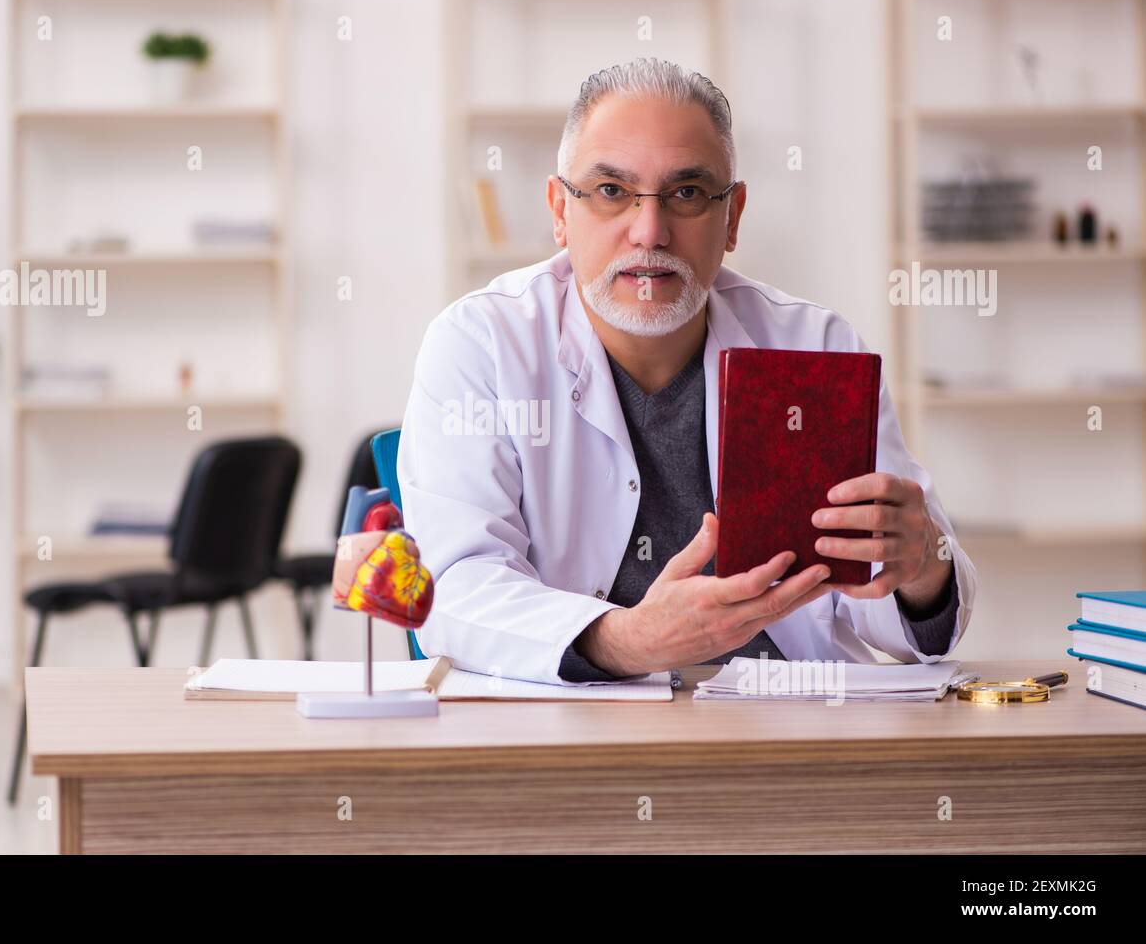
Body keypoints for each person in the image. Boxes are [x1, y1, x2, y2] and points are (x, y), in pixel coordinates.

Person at [399, 58, 975, 684]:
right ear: (559, 211)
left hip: (795, 729)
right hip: (573, 730)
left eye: (687, 193)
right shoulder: (481, 344)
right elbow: (451, 590)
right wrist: (628, 640)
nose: (650, 232)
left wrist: (923, 568)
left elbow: (907, 618)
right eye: (612, 191)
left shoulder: (815, 346)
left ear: (733, 217)